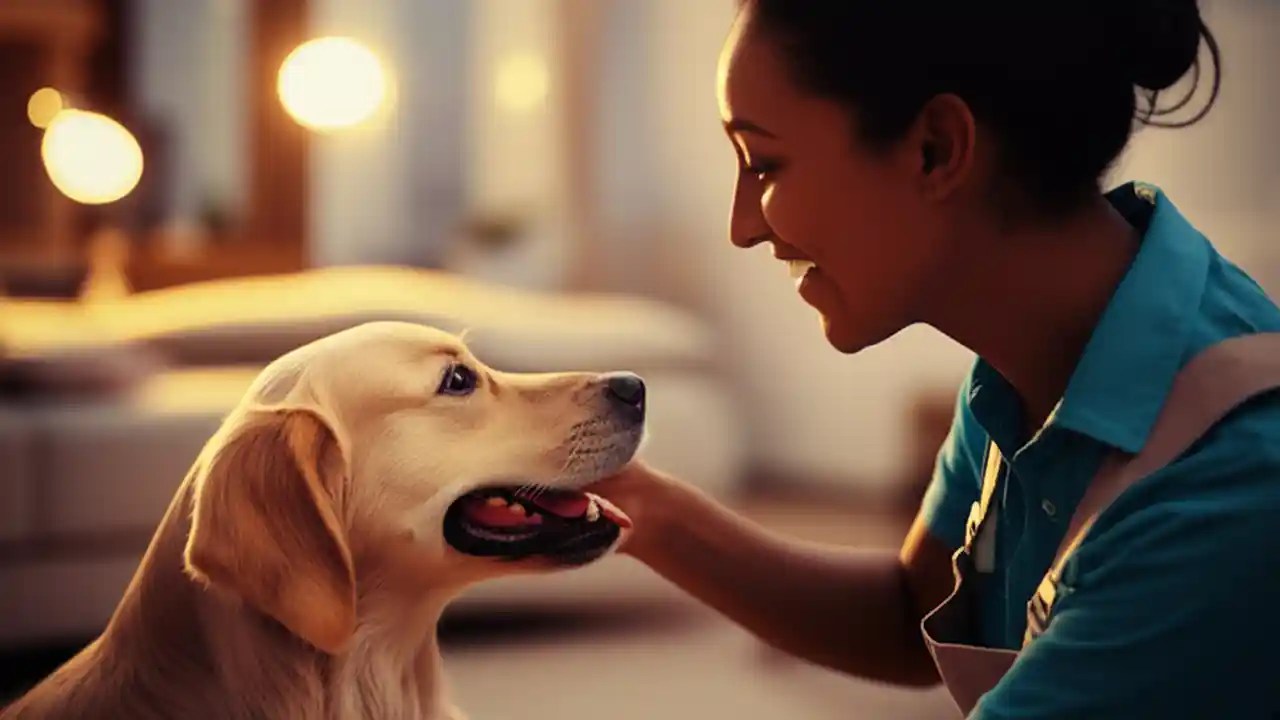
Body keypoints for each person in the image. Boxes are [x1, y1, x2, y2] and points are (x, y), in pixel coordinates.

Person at [588, 2, 1280, 717]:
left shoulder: (1228, 486)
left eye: (764, 163)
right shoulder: (1029, 363)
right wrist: (640, 508)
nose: (743, 227)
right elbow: (913, 612)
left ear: (937, 149)